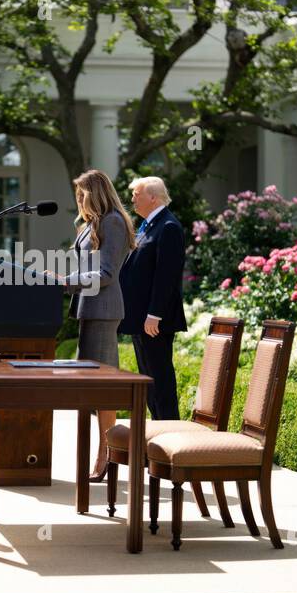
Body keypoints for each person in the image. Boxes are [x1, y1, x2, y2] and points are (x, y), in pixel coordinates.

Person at [59, 170, 135, 482]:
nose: (78, 200)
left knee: (103, 391)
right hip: (90, 309)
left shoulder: (112, 221)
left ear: (96, 193)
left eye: (82, 194)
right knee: (91, 391)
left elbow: (105, 274)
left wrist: (66, 282)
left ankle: (106, 457)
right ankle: (104, 455)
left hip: (103, 311)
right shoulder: (92, 223)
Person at [118, 176, 187, 422]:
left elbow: (166, 275)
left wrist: (154, 314)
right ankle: (158, 436)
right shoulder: (148, 224)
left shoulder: (168, 226)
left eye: (137, 193)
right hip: (141, 318)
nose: (133, 198)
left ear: (153, 197)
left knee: (161, 380)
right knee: (149, 382)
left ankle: (170, 433)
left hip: (153, 320)